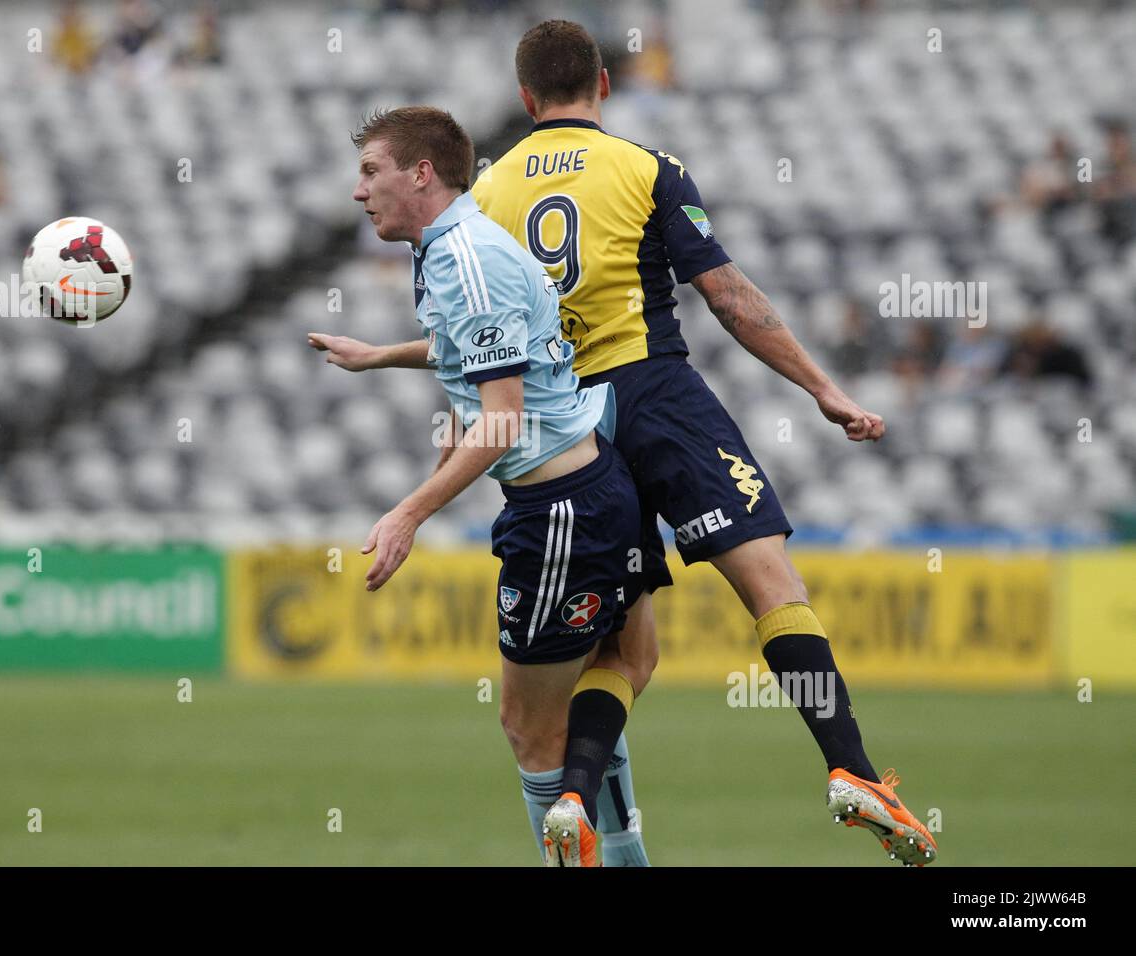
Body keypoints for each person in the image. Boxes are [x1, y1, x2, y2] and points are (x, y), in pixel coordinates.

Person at [312, 20, 937, 866]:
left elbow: (489, 351)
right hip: (650, 391)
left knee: (622, 644)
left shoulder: (484, 197)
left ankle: (574, 795)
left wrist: (387, 373)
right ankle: (849, 766)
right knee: (768, 583)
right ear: (602, 86)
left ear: (525, 97)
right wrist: (823, 388)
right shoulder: (644, 167)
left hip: (572, 420)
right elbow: (730, 297)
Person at [326, 106, 647, 866]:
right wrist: (380, 358)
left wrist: (409, 513)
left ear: (421, 174)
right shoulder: (457, 248)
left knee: (527, 727)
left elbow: (500, 421)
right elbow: (472, 347)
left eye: (371, 171)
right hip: (589, 485)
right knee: (601, 686)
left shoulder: (463, 256)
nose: (357, 190)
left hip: (560, 509)